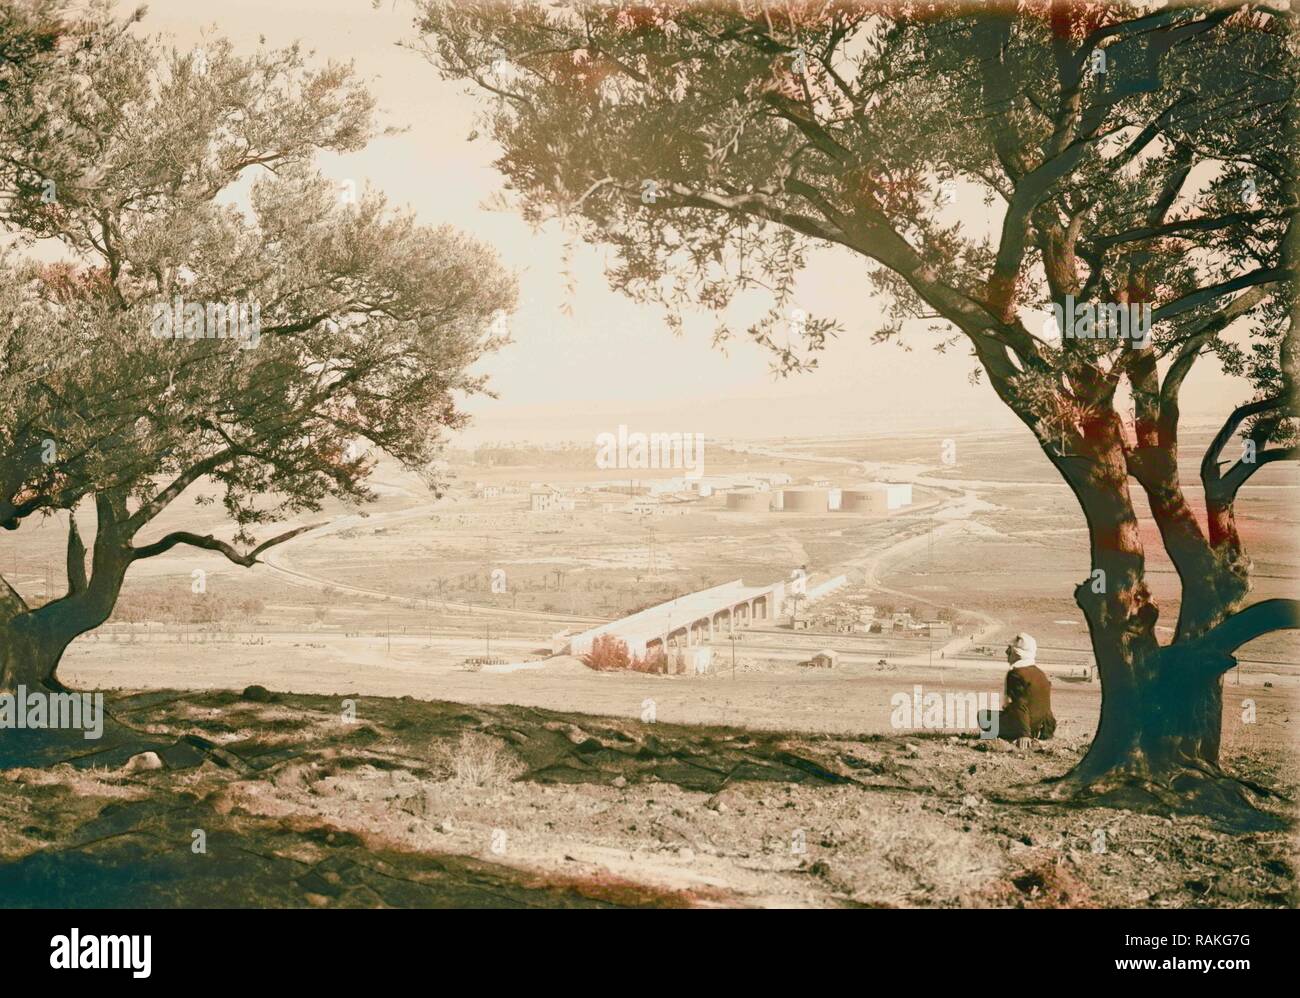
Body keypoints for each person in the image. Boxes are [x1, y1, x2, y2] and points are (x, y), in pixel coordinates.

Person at [978, 632, 1057, 744]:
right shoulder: (1040, 674)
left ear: (1017, 653)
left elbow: (1020, 704)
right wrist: (1047, 732)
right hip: (1037, 727)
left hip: (1022, 726)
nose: (1006, 653)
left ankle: (1014, 735)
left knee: (983, 716)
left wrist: (1024, 735)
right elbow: (1045, 706)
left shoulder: (1016, 674)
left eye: (1009, 650)